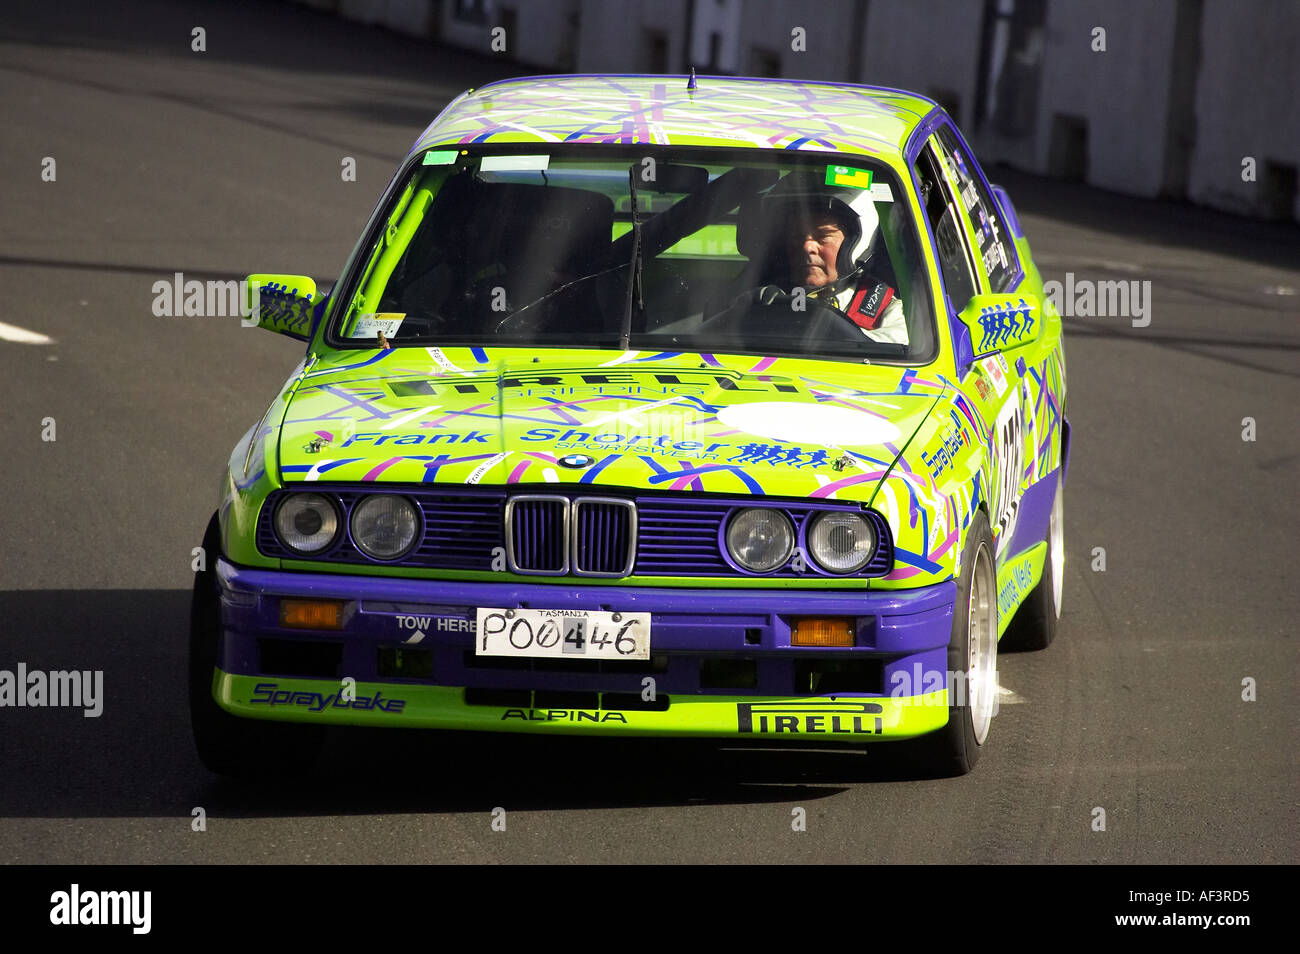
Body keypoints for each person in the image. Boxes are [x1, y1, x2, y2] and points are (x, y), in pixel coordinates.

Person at [780, 198, 908, 345]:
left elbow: (894, 350)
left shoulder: (889, 312)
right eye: (797, 237)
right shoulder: (764, 299)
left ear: (854, 245)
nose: (807, 247)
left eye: (823, 237)